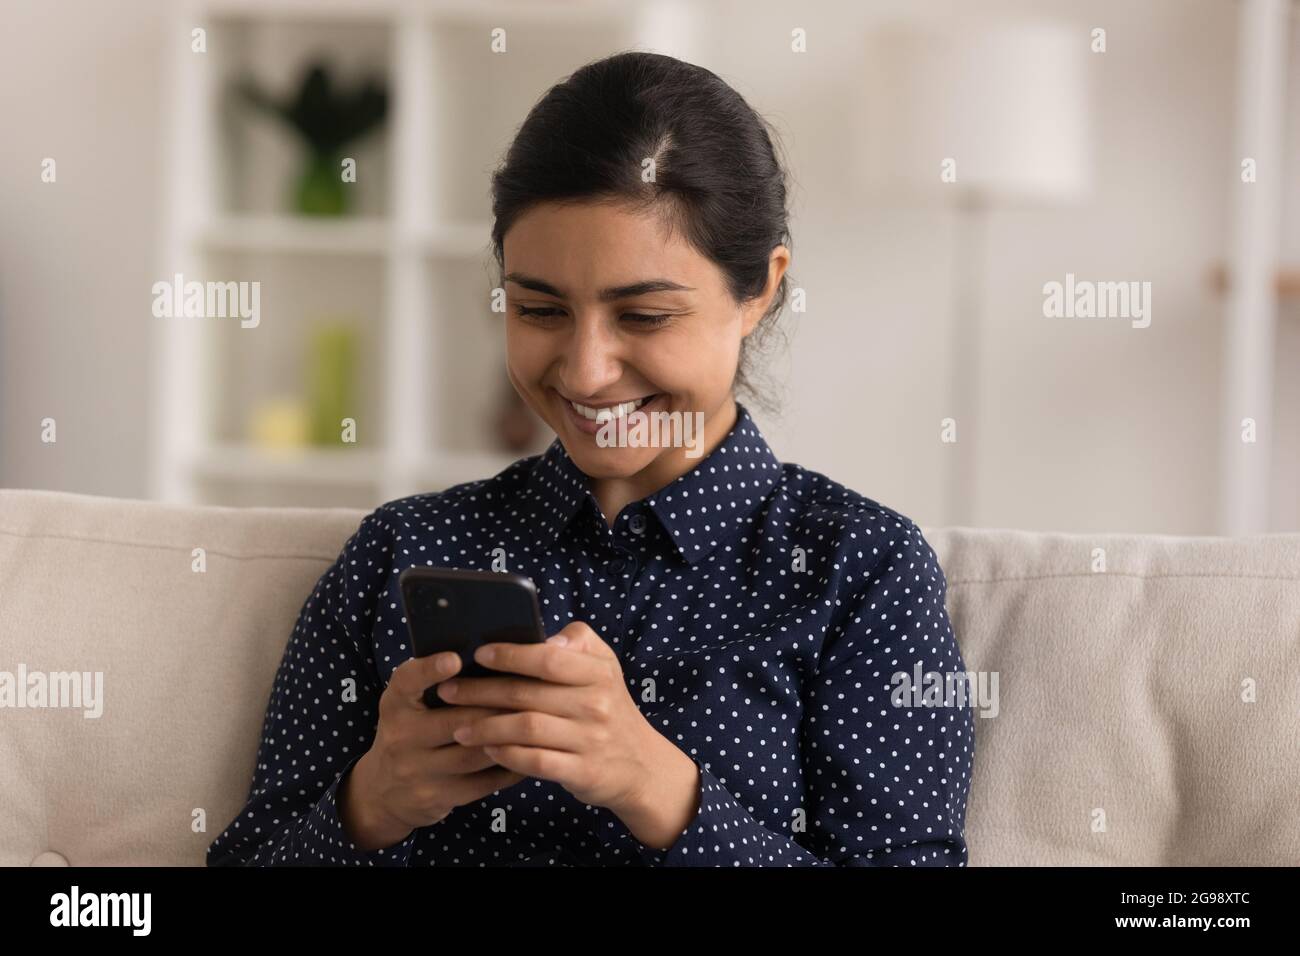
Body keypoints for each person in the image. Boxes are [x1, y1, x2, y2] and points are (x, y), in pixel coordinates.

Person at [207, 50, 974, 867]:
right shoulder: (401, 554)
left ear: (762, 289)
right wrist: (369, 804)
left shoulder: (859, 571)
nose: (583, 370)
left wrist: (658, 789)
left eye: (642, 316)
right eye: (539, 308)